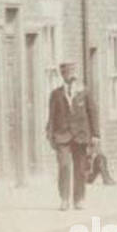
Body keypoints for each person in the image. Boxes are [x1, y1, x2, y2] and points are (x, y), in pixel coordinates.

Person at [47, 61, 100, 211]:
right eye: (65, 73)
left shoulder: (85, 92)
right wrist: (50, 135)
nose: (69, 77)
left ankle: (79, 199)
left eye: (71, 74)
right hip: (62, 135)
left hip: (80, 135)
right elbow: (51, 116)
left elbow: (93, 113)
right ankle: (64, 198)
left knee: (80, 168)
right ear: (62, 75)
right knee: (64, 166)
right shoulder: (56, 94)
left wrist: (95, 134)